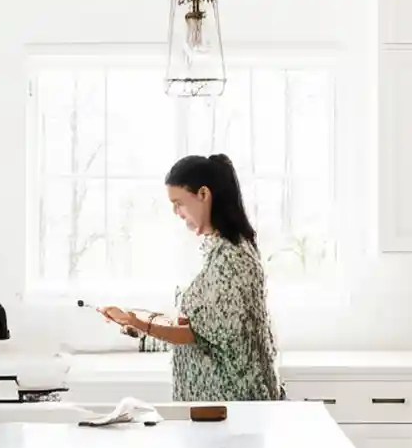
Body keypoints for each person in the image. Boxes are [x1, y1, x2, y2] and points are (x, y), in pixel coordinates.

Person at [98, 154, 282, 402]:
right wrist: (136, 321)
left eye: (179, 203)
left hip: (233, 404)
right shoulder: (215, 250)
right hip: (216, 405)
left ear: (203, 195)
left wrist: (140, 322)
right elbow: (193, 324)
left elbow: (196, 334)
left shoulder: (233, 258)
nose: (176, 212)